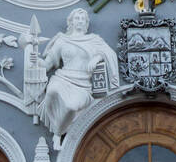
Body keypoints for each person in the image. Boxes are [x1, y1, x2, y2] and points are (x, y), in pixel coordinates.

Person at [38, 8, 119, 149]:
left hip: (82, 84)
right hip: (62, 78)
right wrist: (34, 60)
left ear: (86, 23)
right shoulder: (62, 40)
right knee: (52, 91)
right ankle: (57, 134)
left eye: (83, 19)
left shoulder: (94, 40)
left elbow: (109, 53)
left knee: (71, 106)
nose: (80, 21)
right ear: (71, 21)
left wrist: (97, 57)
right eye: (77, 18)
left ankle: (58, 131)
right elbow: (47, 64)